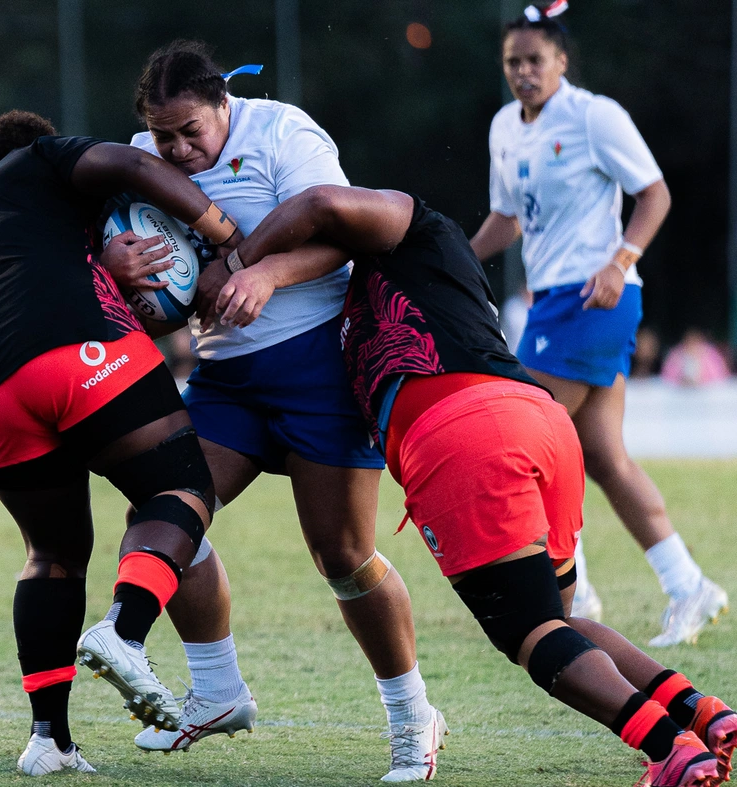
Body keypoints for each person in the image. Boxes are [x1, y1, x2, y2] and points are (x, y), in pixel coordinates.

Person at [223, 183, 735, 787]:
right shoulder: (373, 287)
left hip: (465, 435)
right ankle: (704, 714)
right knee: (558, 620)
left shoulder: (416, 228)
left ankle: (670, 748)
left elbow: (320, 205)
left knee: (527, 632)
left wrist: (238, 262)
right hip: (535, 419)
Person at [99, 40, 443, 779]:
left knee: (342, 556)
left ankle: (414, 715)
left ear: (225, 104)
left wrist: (269, 270)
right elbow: (156, 292)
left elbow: (344, 232)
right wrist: (118, 269)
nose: (180, 150)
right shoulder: (139, 161)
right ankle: (218, 692)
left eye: (192, 131)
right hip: (226, 383)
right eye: (165, 137)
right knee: (167, 516)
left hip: (321, 367)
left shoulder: (285, 132)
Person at [0, 109, 252, 776]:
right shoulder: (39, 158)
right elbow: (136, 165)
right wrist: (227, 237)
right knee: (182, 487)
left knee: (51, 551)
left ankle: (48, 738)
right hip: (66, 341)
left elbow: (26, 268)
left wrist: (101, 267)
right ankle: (125, 629)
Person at [469, 3, 727, 644]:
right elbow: (508, 217)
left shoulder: (593, 117)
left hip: (596, 300)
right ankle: (687, 584)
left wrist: (621, 260)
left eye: (535, 60)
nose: (524, 72)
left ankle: (573, 589)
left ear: (561, 60)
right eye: (513, 62)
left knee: (526, 444)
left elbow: (654, 193)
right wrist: (455, 263)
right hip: (552, 304)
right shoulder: (505, 127)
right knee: (605, 459)